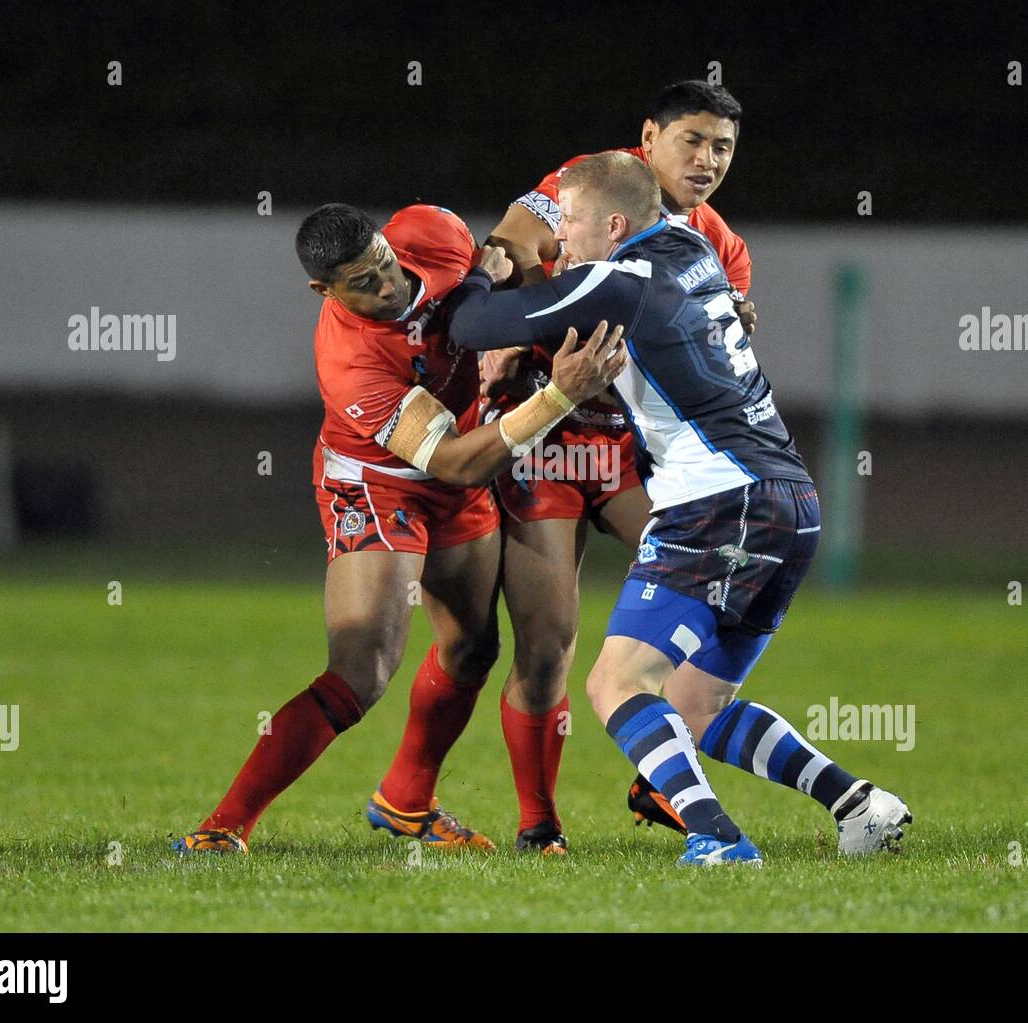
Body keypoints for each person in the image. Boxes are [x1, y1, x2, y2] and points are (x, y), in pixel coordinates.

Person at [446, 153, 912, 864]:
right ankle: (860, 805)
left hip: (720, 503)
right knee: (696, 706)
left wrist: (483, 267)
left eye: (567, 222)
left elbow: (474, 323)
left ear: (614, 224)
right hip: (791, 500)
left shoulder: (617, 279)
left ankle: (717, 838)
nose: (558, 240)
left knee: (614, 681)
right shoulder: (692, 248)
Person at [173, 202, 624, 854]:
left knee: (472, 648)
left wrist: (512, 309)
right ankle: (222, 827)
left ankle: (407, 800)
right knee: (362, 668)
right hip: (381, 485)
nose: (385, 287)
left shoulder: (432, 231)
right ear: (322, 291)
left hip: (463, 462)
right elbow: (453, 463)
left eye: (384, 265)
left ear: (391, 239)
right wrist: (558, 395)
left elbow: (513, 246)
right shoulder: (349, 359)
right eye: (361, 283)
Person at [461, 80, 757, 846]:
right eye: (691, 140)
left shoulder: (718, 239)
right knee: (550, 638)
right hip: (551, 434)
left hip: (634, 454)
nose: (705, 160)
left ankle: (666, 769)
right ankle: (539, 825)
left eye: (721, 146)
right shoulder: (586, 182)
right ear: (650, 136)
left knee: (729, 578)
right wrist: (498, 309)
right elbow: (509, 241)